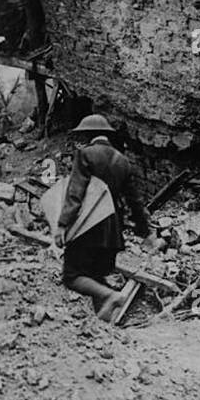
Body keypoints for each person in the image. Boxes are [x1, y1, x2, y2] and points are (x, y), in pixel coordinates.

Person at [55, 114, 154, 321]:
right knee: (95, 276)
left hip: (88, 226)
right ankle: (104, 325)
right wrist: (145, 230)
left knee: (72, 276)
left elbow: (76, 192)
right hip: (112, 231)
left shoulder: (85, 155)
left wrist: (63, 224)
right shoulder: (123, 161)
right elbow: (134, 201)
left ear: (88, 135)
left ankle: (111, 296)